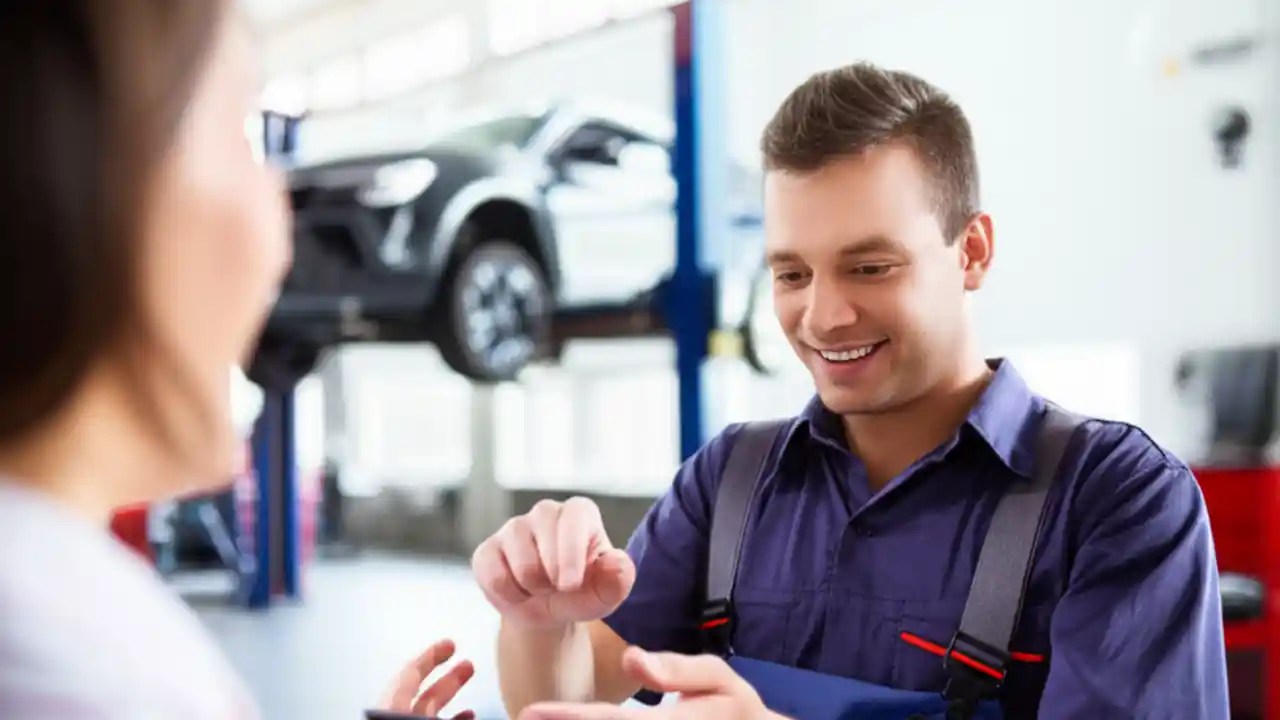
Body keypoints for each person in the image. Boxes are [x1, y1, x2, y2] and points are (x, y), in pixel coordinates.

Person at [473, 62, 1231, 719]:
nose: (824, 316)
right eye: (792, 273)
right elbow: (578, 684)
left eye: (870, 268)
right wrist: (543, 621)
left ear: (971, 251)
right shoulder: (731, 481)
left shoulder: (1117, 501)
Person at [0, 3, 473, 718]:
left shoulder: (65, 615)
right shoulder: (78, 677)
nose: (281, 231)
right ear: (76, 176)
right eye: (242, 135)